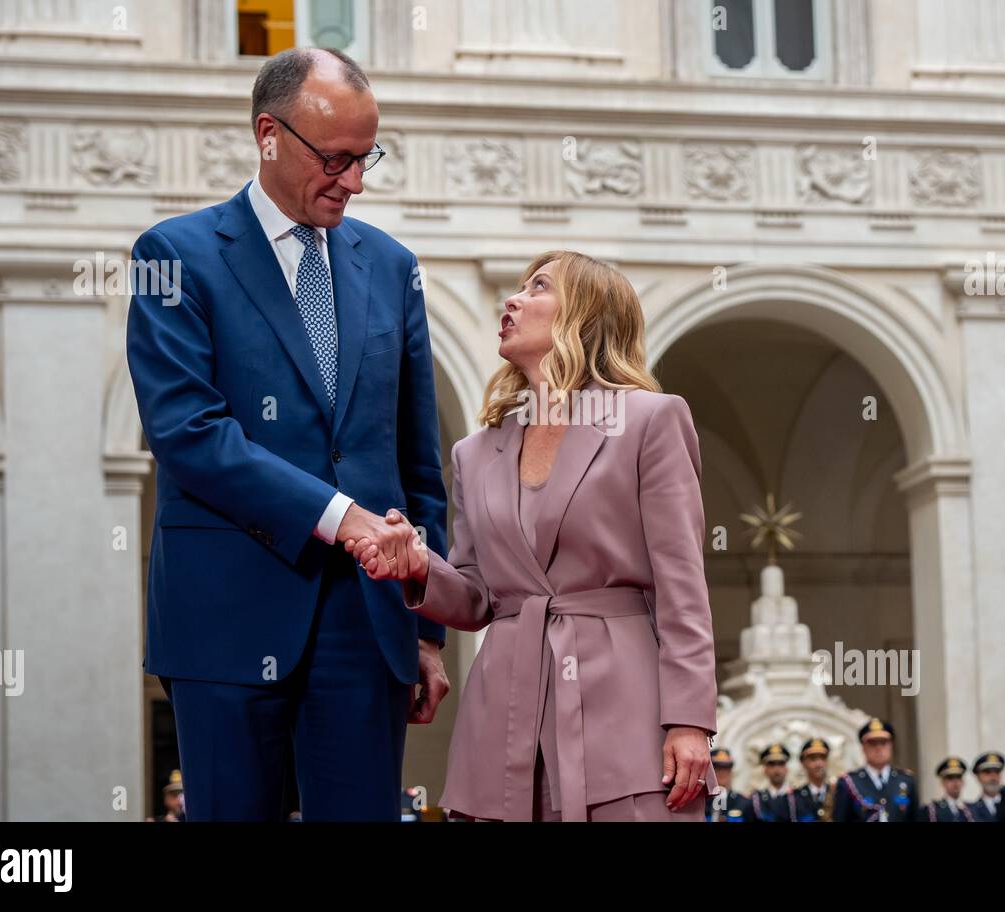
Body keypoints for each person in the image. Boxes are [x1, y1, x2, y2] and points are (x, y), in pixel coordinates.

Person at [126, 48, 449, 821]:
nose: (355, 181)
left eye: (367, 158)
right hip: (228, 621)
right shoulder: (173, 256)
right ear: (269, 135)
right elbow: (189, 434)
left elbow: (417, 461)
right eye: (335, 158)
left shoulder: (393, 265)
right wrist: (343, 518)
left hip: (369, 629)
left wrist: (428, 630)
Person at [374, 251, 718, 822]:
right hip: (503, 712)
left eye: (538, 287)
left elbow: (682, 586)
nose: (513, 301)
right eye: (518, 288)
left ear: (586, 315)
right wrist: (416, 563)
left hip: (623, 713)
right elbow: (479, 594)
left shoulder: (650, 420)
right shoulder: (475, 452)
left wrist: (689, 720)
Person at [832, 718, 919, 822]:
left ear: (891, 745)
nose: (878, 748)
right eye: (872, 743)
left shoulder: (906, 780)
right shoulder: (849, 782)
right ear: (863, 747)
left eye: (883, 743)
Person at [751, 743, 800, 822]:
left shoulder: (798, 797)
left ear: (786, 769)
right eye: (772, 764)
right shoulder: (755, 799)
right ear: (765, 770)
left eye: (781, 764)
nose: (776, 769)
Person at [707, 748, 755, 822]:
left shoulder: (744, 802)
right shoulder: (701, 802)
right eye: (717, 768)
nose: (722, 772)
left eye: (726, 768)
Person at [793, 737, 835, 822]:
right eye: (813, 759)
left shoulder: (837, 793)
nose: (819, 764)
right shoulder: (794, 797)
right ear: (803, 763)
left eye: (822, 758)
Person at [923, 757, 973, 822]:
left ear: (963, 781)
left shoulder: (971, 809)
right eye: (950, 778)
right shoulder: (932, 810)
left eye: (958, 777)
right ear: (942, 782)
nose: (955, 782)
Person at [967, 751, 1005, 821]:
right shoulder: (971, 812)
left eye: (997, 772)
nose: (993, 777)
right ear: (978, 777)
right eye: (987, 772)